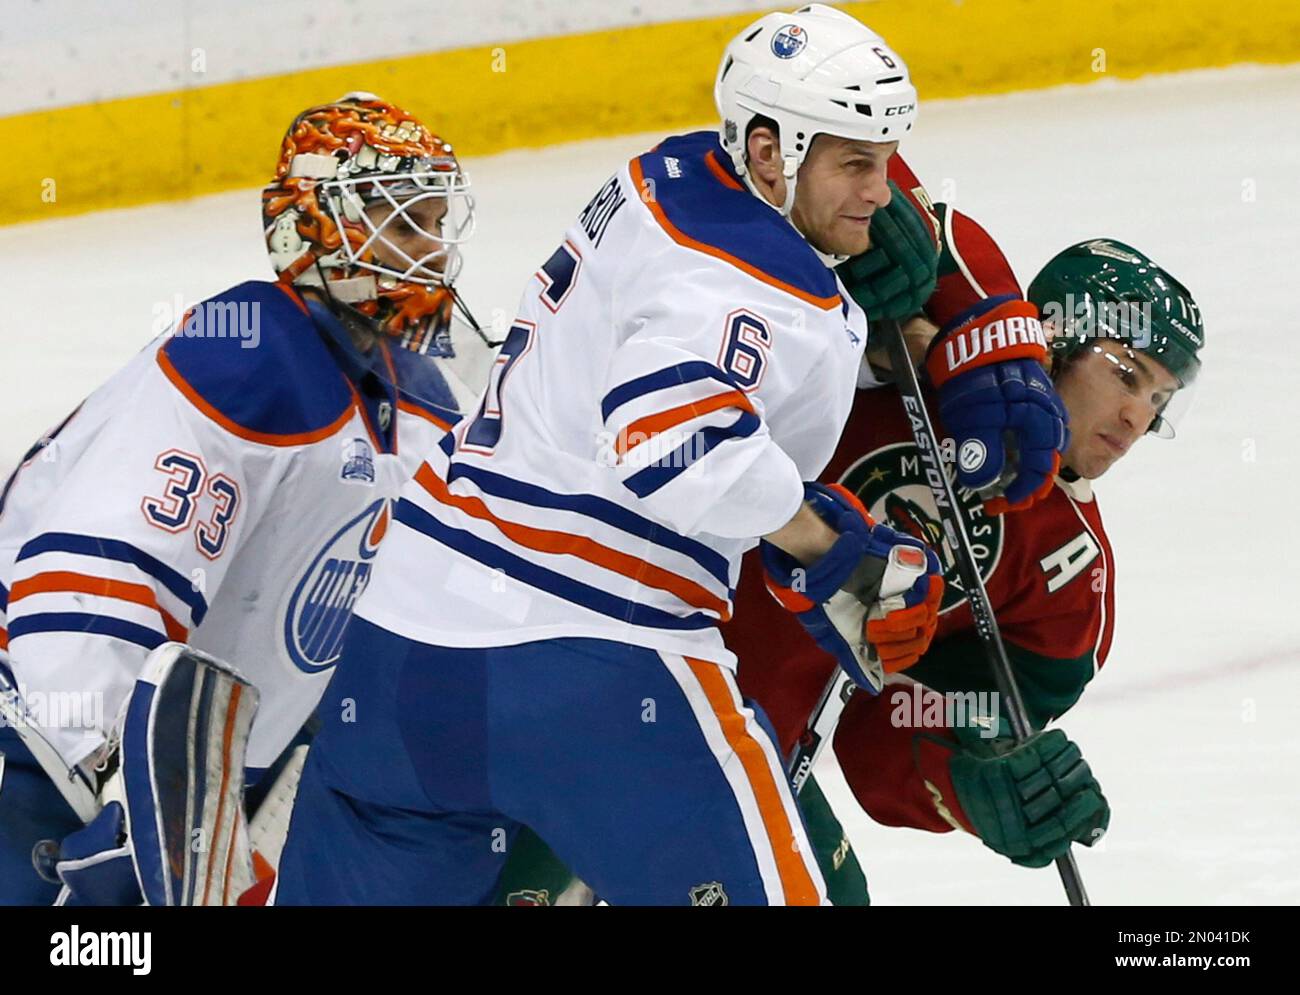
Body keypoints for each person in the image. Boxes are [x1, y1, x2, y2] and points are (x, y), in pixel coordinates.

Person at [275, 5, 1065, 906]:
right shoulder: (764, 285)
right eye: (857, 164)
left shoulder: (662, 176)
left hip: (401, 650)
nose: (884, 195)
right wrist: (834, 552)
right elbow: (671, 441)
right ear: (770, 151)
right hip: (588, 660)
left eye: (885, 162)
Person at [0, 93, 480, 904]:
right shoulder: (247, 354)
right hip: (43, 749)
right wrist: (119, 788)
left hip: (194, 792)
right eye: (403, 225)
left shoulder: (431, 402)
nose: (428, 252)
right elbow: (97, 574)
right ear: (312, 228)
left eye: (435, 223)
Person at [732, 216, 1203, 901]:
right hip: (621, 617)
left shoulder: (1069, 583)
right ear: (1055, 338)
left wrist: (976, 778)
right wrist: (944, 328)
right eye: (1125, 375)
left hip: (746, 739)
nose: (1137, 416)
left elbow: (884, 733)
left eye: (1158, 398)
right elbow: (890, 207)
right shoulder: (921, 354)